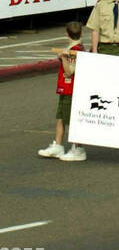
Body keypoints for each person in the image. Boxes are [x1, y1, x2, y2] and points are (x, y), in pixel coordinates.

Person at [38, 20, 85, 163]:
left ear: (66, 33)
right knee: (60, 117)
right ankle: (58, 145)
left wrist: (64, 58)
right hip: (65, 89)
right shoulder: (73, 48)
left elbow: (69, 72)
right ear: (81, 33)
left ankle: (78, 149)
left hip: (72, 89)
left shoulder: (75, 50)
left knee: (72, 120)